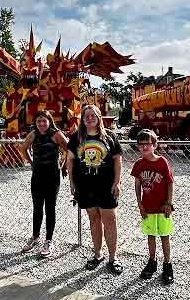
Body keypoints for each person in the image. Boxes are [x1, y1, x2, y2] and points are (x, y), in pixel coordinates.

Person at [67, 104, 124, 274]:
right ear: (82, 119)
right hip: (85, 186)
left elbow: (117, 161)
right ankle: (98, 254)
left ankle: (113, 257)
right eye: (86, 115)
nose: (90, 118)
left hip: (106, 185)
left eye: (93, 115)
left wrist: (117, 182)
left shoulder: (110, 137)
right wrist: (71, 182)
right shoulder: (76, 138)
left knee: (110, 220)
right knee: (93, 219)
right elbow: (70, 160)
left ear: (99, 117)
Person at [19, 111, 69, 258]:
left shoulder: (57, 134)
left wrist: (64, 165)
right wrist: (32, 163)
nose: (41, 124)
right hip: (37, 176)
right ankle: (35, 237)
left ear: (49, 121)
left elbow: (69, 149)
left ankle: (49, 240)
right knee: (37, 207)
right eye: (39, 121)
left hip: (52, 176)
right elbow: (23, 148)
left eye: (44, 121)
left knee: (50, 208)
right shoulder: (33, 134)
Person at [131, 129, 175, 284]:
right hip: (148, 207)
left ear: (154, 145)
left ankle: (167, 264)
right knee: (151, 236)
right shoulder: (139, 164)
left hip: (162, 207)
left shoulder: (162, 161)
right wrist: (140, 205)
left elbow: (170, 182)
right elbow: (137, 185)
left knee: (164, 236)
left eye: (147, 144)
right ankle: (152, 261)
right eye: (140, 144)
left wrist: (169, 202)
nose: (144, 147)